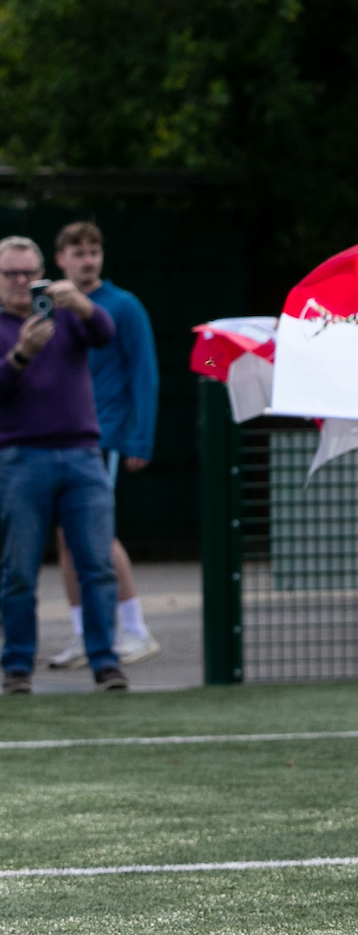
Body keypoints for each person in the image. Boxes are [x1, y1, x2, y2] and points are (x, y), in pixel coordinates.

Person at [0, 235, 122, 693]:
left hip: (81, 455)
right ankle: (16, 668)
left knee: (97, 565)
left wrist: (84, 306)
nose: (20, 282)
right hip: (19, 458)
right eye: (10, 274)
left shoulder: (65, 313)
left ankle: (106, 662)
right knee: (17, 572)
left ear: (43, 273)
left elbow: (107, 334)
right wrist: (20, 356)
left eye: (28, 273)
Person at [45, 222, 159, 668]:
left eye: (94, 251)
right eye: (78, 252)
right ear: (60, 260)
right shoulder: (50, 306)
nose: (87, 259)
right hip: (62, 436)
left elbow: (144, 373)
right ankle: (83, 635)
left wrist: (140, 439)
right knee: (67, 539)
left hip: (105, 435)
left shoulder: (124, 306)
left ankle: (135, 630)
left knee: (95, 536)